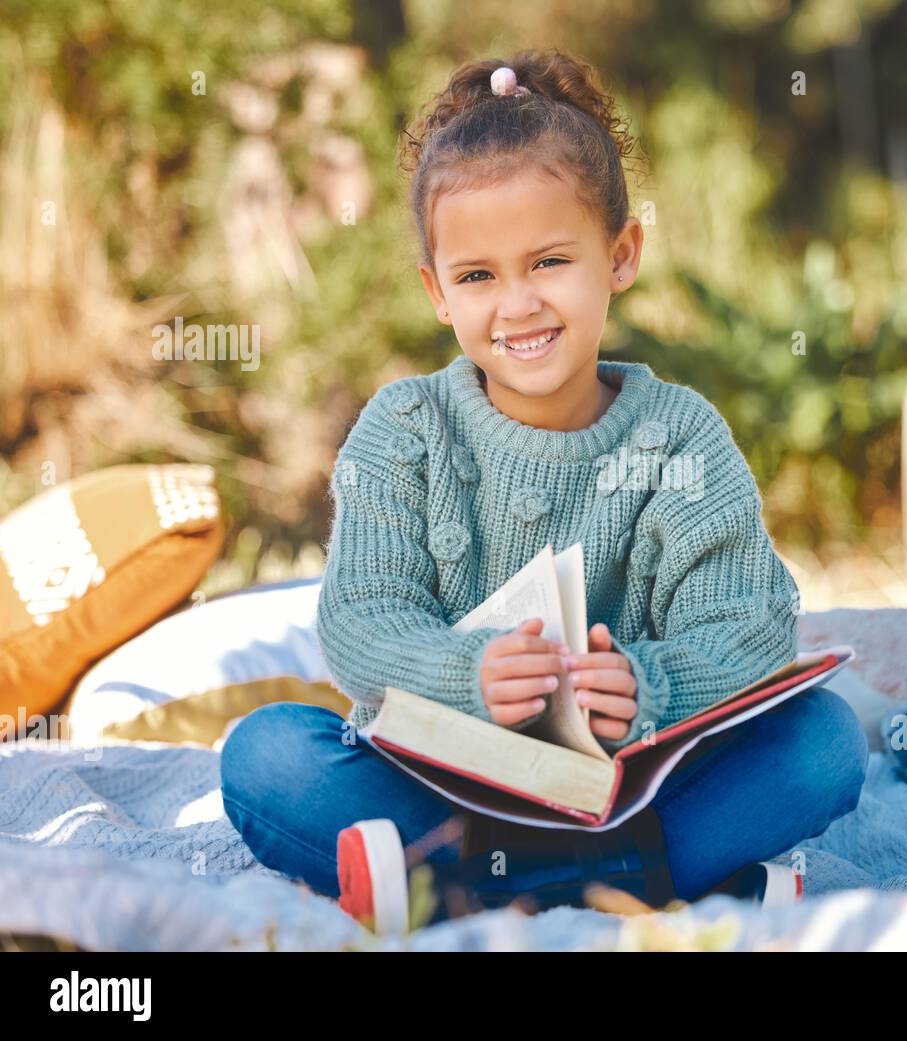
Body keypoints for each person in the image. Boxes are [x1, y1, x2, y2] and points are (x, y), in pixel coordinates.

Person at [220, 48, 867, 936]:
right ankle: (638, 887)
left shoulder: (678, 434)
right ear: (437, 292)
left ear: (621, 253)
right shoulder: (405, 426)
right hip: (439, 785)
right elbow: (361, 622)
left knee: (823, 744)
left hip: (627, 786)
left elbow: (749, 625)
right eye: (478, 276)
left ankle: (451, 892)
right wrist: (465, 673)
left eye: (550, 261)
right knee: (267, 755)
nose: (516, 304)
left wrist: (650, 685)